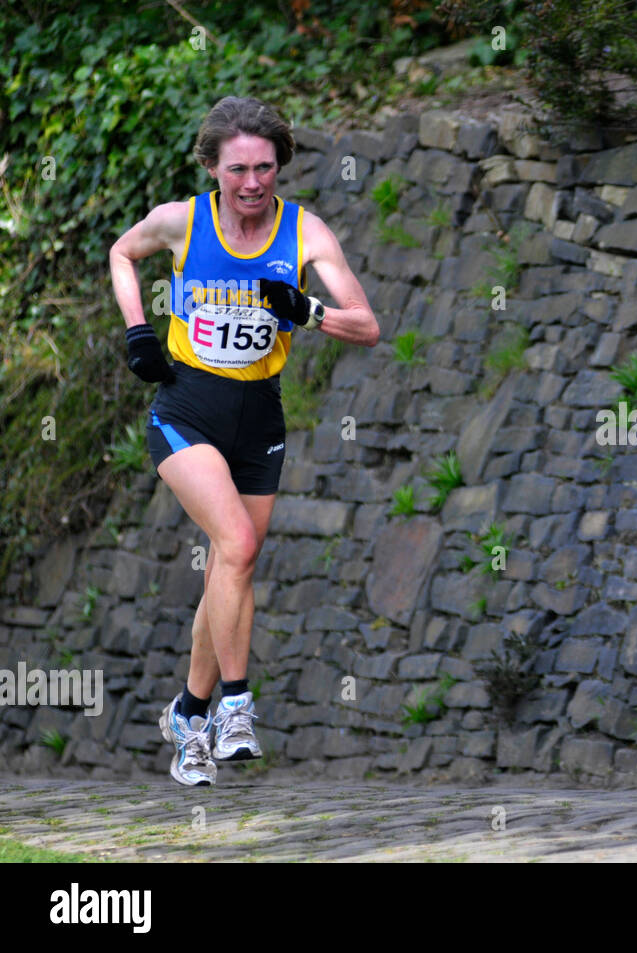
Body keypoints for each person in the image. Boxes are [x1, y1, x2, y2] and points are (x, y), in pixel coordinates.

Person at [108, 96, 379, 786]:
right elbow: (120, 252)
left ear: (279, 165)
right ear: (212, 168)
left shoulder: (304, 232)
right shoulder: (182, 221)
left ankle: (188, 720)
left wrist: (308, 310)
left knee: (230, 570)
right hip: (187, 409)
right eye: (238, 170)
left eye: (264, 167)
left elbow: (366, 325)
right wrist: (139, 329)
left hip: (260, 417)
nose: (253, 182)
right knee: (239, 544)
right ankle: (235, 707)